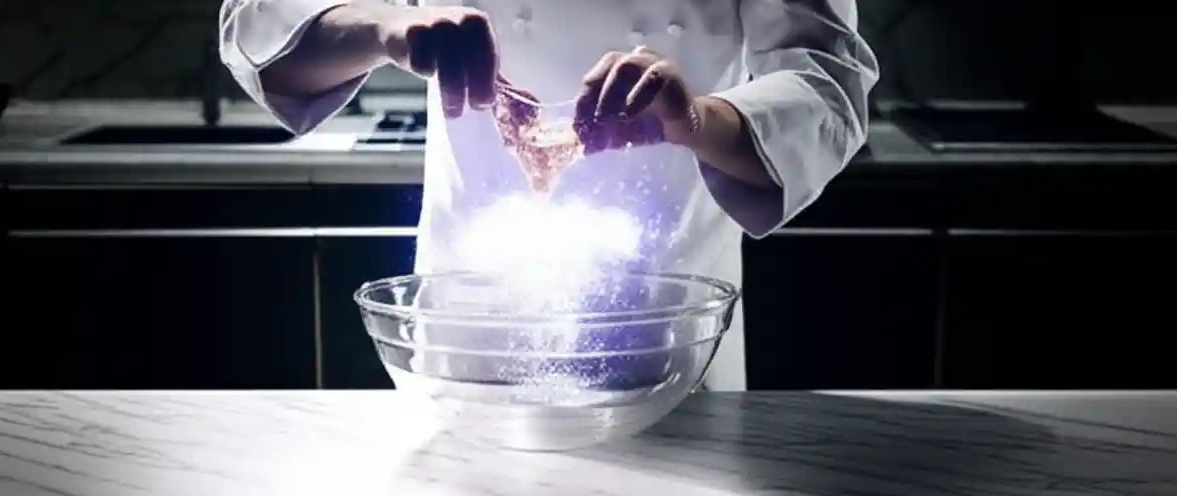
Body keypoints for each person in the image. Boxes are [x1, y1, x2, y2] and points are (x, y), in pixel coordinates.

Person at [219, 0, 879, 391]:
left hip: (668, 357)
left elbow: (828, 87)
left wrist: (693, 118)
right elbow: (260, 34)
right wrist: (385, 27)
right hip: (467, 352)